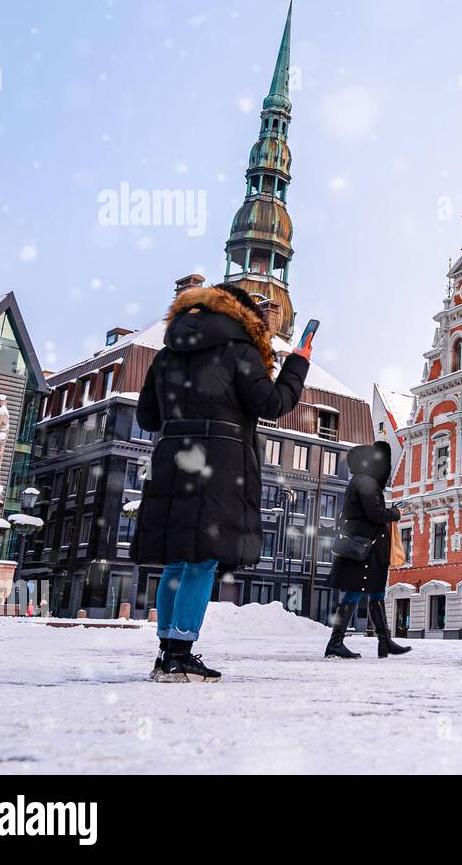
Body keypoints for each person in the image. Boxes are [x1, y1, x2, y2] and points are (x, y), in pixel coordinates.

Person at [133, 283, 309, 682]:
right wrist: (298, 362)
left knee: (178, 558)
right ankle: (180, 653)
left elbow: (146, 418)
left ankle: (166, 653)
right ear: (242, 315)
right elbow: (273, 405)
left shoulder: (165, 355)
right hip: (220, 460)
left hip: (172, 459)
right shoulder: (240, 351)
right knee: (202, 561)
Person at [323, 441, 410, 659]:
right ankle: (337, 644)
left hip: (366, 546)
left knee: (376, 593)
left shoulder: (359, 481)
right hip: (366, 548)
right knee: (354, 594)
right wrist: (396, 513)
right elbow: (375, 514)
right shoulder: (366, 482)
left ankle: (384, 641)